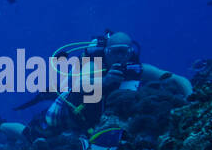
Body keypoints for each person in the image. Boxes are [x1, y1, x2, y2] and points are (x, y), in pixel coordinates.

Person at [32, 30, 192, 136]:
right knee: (39, 133)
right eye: (115, 52)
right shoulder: (95, 64)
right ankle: (8, 126)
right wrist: (105, 80)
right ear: (106, 52)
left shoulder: (135, 69)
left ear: (131, 53)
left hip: (99, 121)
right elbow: (80, 84)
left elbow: (176, 79)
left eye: (125, 52)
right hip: (72, 113)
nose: (120, 57)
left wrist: (192, 98)